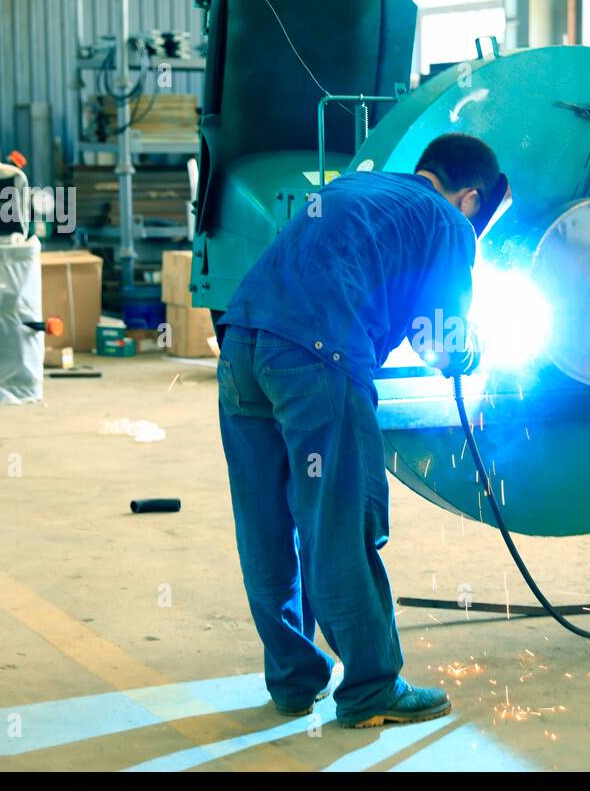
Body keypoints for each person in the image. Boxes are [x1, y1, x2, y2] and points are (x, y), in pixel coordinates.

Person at [216, 133, 505, 728]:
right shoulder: (447, 222)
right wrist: (471, 354)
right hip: (316, 358)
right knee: (341, 523)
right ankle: (372, 689)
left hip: (240, 346)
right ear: (471, 197)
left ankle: (295, 681)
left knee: (265, 525)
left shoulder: (353, 187)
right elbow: (439, 336)